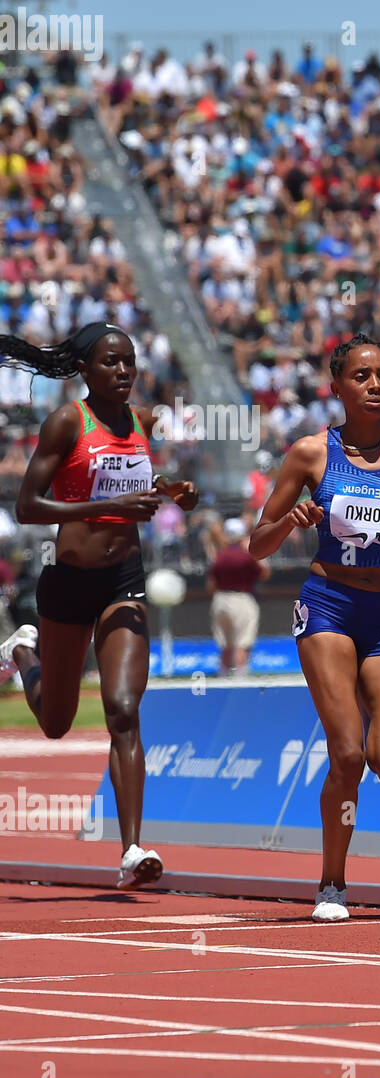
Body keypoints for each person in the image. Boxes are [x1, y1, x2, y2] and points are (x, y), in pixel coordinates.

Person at [249, 334, 380, 922]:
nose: (374, 385)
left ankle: (364, 702)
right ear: (337, 386)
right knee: (348, 755)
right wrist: (293, 520)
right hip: (329, 609)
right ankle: (332, 883)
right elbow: (256, 545)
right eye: (361, 376)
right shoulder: (311, 455)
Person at [0, 322, 198, 889]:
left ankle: (133, 848)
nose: (123, 371)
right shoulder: (68, 422)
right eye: (110, 362)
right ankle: (24, 652)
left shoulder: (142, 422)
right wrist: (96, 507)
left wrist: (174, 491)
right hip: (68, 584)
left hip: (123, 581)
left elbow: (136, 478)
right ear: (84, 369)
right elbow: (27, 506)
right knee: (57, 723)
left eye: (129, 361)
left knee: (123, 708)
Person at [208, 516, 269, 676]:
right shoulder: (246, 555)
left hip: (220, 599)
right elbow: (264, 574)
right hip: (242, 599)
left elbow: (211, 585)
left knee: (225, 647)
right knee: (242, 645)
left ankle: (223, 680)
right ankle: (240, 681)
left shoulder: (219, 556)